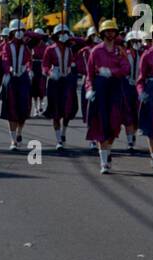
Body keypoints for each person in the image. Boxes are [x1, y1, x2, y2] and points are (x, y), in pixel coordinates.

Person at [87, 19, 131, 174]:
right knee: (101, 124)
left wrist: (112, 72)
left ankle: (108, 149)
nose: (110, 33)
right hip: (100, 88)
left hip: (115, 88)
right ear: (103, 33)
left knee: (114, 124)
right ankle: (103, 161)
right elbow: (90, 73)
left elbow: (126, 68)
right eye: (108, 31)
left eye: (113, 31)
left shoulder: (120, 51)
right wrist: (90, 88)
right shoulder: (96, 51)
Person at [0, 19, 34, 151]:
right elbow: (4, 59)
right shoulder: (7, 45)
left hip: (23, 79)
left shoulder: (27, 45)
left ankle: (19, 132)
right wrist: (8, 69)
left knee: (23, 109)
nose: (19, 33)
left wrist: (28, 70)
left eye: (21, 31)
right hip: (11, 79)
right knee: (11, 110)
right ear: (11, 32)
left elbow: (30, 60)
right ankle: (12, 140)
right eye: (16, 31)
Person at [42, 24, 80, 150]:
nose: (63, 36)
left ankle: (64, 131)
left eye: (65, 34)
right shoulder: (50, 49)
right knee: (56, 111)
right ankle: (58, 139)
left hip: (67, 81)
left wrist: (72, 67)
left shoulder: (70, 49)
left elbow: (72, 61)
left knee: (68, 109)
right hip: (55, 81)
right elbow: (45, 65)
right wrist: (50, 73)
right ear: (56, 36)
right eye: (60, 34)